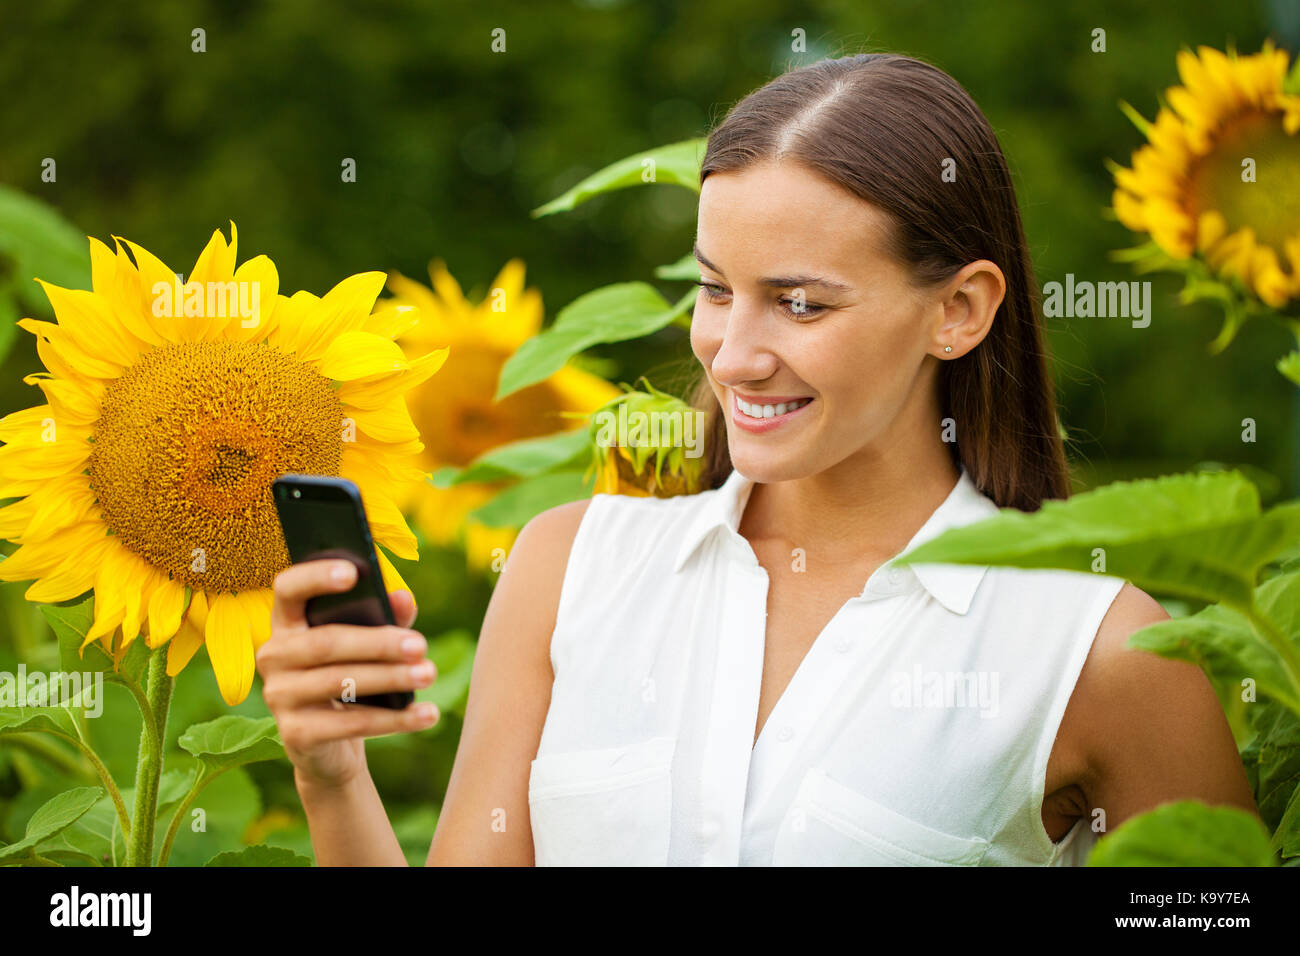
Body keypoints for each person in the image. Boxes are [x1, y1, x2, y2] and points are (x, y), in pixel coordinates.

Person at [259, 52, 1258, 866]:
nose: (732, 353)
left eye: (799, 301)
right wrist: (331, 771)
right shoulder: (567, 568)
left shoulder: (1099, 648)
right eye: (714, 289)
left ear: (958, 310)